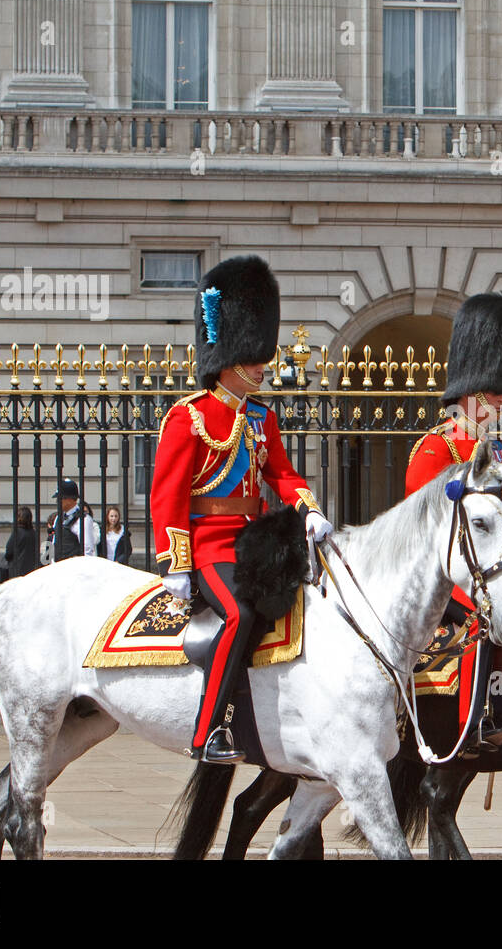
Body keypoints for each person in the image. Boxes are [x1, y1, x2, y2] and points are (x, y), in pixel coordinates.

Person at [151, 254, 332, 765]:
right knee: (239, 612)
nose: (262, 365)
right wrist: (175, 561)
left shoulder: (261, 418)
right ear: (228, 355)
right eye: (253, 356)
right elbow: (167, 495)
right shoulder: (189, 417)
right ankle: (207, 730)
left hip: (252, 543)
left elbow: (281, 473)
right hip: (208, 544)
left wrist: (309, 509)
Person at [404, 291, 502, 758]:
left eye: (501, 394)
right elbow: (423, 527)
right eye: (495, 394)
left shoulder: (491, 451)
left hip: (485, 564)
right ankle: (474, 719)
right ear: (472, 392)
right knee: (483, 621)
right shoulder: (435, 449)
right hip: (446, 573)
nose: (501, 401)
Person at [49, 481, 96, 562]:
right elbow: (54, 543)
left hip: (74, 568)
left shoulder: (83, 519)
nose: (57, 501)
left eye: (60, 498)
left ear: (70, 499)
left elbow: (87, 549)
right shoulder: (58, 517)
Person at [3, 507, 40, 580]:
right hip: (31, 568)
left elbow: (9, 552)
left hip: (17, 568)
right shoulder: (33, 533)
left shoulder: (17, 532)